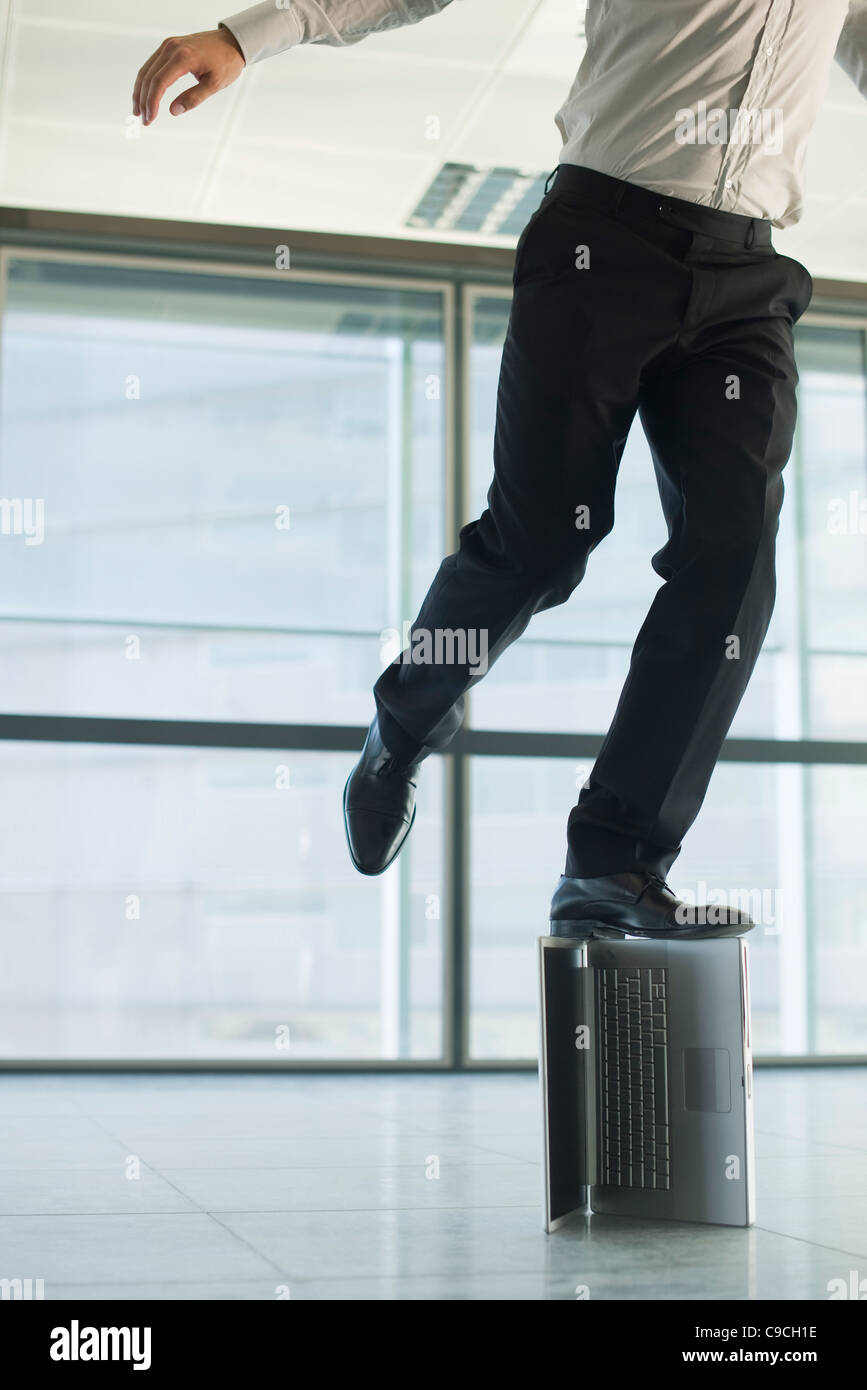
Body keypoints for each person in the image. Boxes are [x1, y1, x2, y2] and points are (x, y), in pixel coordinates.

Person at [133, 1, 867, 939]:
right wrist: (248, 37)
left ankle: (614, 863)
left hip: (748, 280)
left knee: (735, 572)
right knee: (540, 546)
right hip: (605, 242)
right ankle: (403, 723)